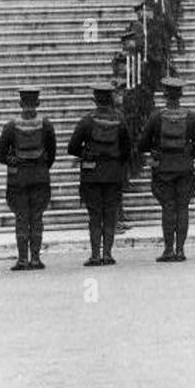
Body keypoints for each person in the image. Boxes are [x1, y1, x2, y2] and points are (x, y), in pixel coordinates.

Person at [137, 77, 195, 262]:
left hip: (163, 169)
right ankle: (180, 250)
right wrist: (187, 156)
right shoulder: (190, 116)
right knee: (183, 208)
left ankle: (168, 250)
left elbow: (142, 144)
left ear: (165, 95)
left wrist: (155, 150)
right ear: (180, 95)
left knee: (168, 208)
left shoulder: (156, 116)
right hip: (184, 168)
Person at [68, 82, 132, 267]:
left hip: (92, 175)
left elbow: (72, 147)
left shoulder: (87, 120)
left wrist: (86, 154)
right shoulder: (120, 120)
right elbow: (128, 149)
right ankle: (108, 254)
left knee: (94, 215)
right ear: (111, 99)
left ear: (95, 100)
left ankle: (95, 255)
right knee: (110, 215)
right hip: (113, 174)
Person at [0, 86, 58, 271]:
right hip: (40, 177)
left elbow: (0, 155)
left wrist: (13, 160)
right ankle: (36, 259)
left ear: (20, 103)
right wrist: (40, 166)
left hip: (18, 180)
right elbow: (52, 153)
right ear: (37, 103)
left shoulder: (11, 126)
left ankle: (23, 259)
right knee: (37, 218)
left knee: (21, 218)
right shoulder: (46, 124)